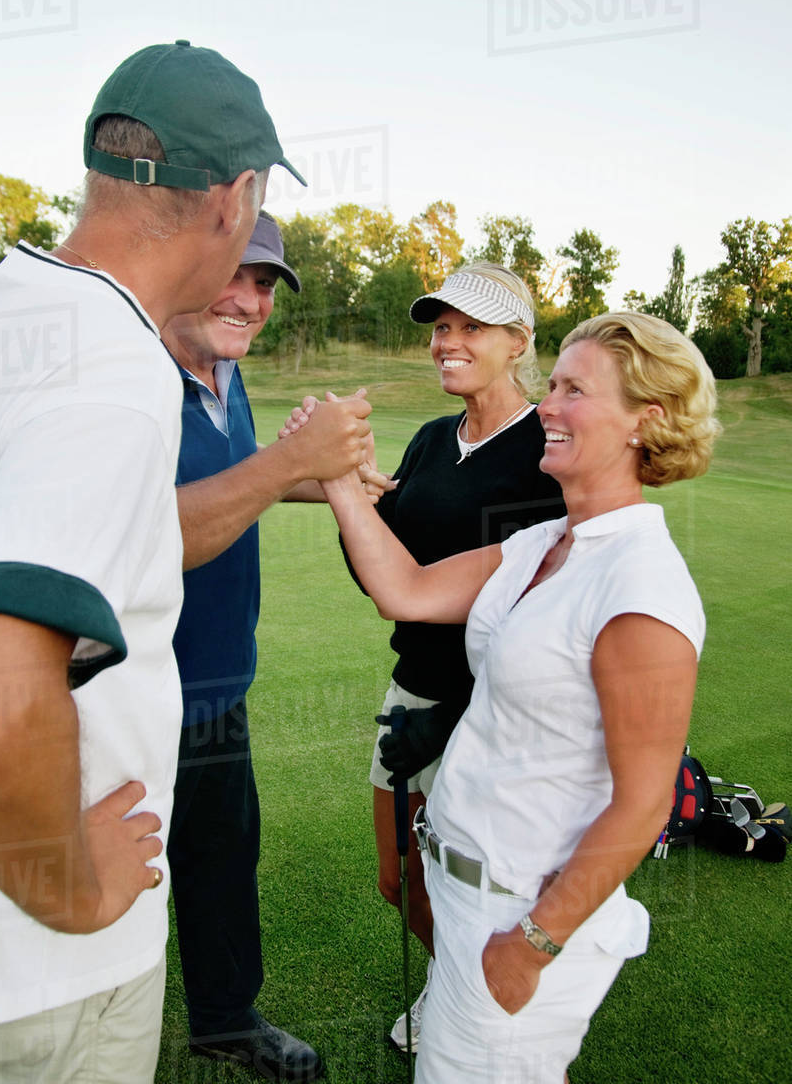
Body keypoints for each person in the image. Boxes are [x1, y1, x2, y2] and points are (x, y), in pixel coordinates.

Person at [0, 39, 361, 1084]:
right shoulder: (113, 364)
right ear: (235, 197)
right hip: (41, 973)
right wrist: (74, 891)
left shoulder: (4, 307)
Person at [319, 312, 721, 1084]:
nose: (548, 406)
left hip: (517, 917)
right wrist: (338, 479)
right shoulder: (545, 543)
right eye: (553, 385)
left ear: (646, 420)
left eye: (575, 391)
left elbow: (643, 805)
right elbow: (406, 589)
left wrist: (532, 945)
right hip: (464, 898)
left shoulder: (640, 587)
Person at [161, 211, 377, 1082]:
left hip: (219, 678)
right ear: (189, 259)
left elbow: (232, 479)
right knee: (110, 876)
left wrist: (334, 480)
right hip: (128, 690)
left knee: (220, 859)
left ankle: (224, 1019)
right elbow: (150, 531)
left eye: (264, 285)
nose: (250, 301)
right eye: (236, 274)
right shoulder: (131, 375)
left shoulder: (226, 370)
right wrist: (292, 464)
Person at [336, 263, 566, 1049]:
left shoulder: (548, 451)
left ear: (518, 343)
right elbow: (388, 576)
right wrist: (353, 497)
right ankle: (455, 985)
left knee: (483, 894)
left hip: (498, 712)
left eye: (472, 328)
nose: (448, 342)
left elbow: (541, 613)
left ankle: (479, 1015)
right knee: (400, 881)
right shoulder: (433, 440)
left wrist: (461, 716)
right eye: (441, 327)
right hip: (415, 692)